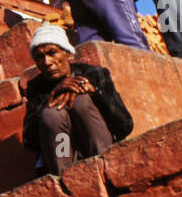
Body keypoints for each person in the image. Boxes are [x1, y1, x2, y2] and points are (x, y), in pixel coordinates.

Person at [22, 23, 133, 175]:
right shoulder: (36, 87)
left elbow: (125, 125)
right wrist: (48, 100)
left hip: (99, 146)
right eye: (40, 57)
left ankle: (105, 169)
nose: (47, 62)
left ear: (67, 53)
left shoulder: (94, 74)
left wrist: (95, 93)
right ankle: (65, 178)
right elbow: (30, 142)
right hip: (65, 156)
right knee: (52, 113)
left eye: (52, 53)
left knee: (81, 100)